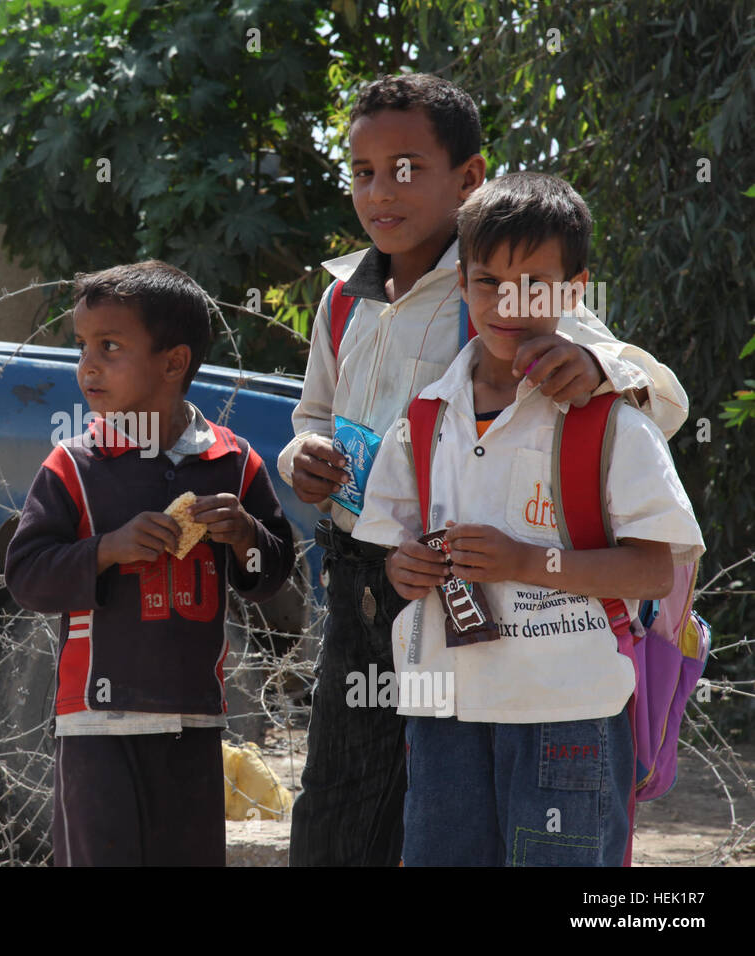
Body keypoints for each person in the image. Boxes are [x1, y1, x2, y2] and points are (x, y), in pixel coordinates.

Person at [279, 73, 690, 867]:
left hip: (509, 603)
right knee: (347, 793)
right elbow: (311, 416)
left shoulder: (504, 279)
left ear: (468, 179)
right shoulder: (342, 302)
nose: (380, 192)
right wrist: (302, 455)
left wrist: (590, 365)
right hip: (375, 580)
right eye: (363, 173)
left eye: (405, 169)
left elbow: (644, 391)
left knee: (479, 802)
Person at [5, 259, 295, 866]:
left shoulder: (235, 464)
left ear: (173, 362)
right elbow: (27, 575)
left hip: (195, 723)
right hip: (95, 726)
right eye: (82, 345)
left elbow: (270, 573)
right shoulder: (74, 466)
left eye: (110, 346)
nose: (87, 364)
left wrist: (243, 532)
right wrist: (107, 548)